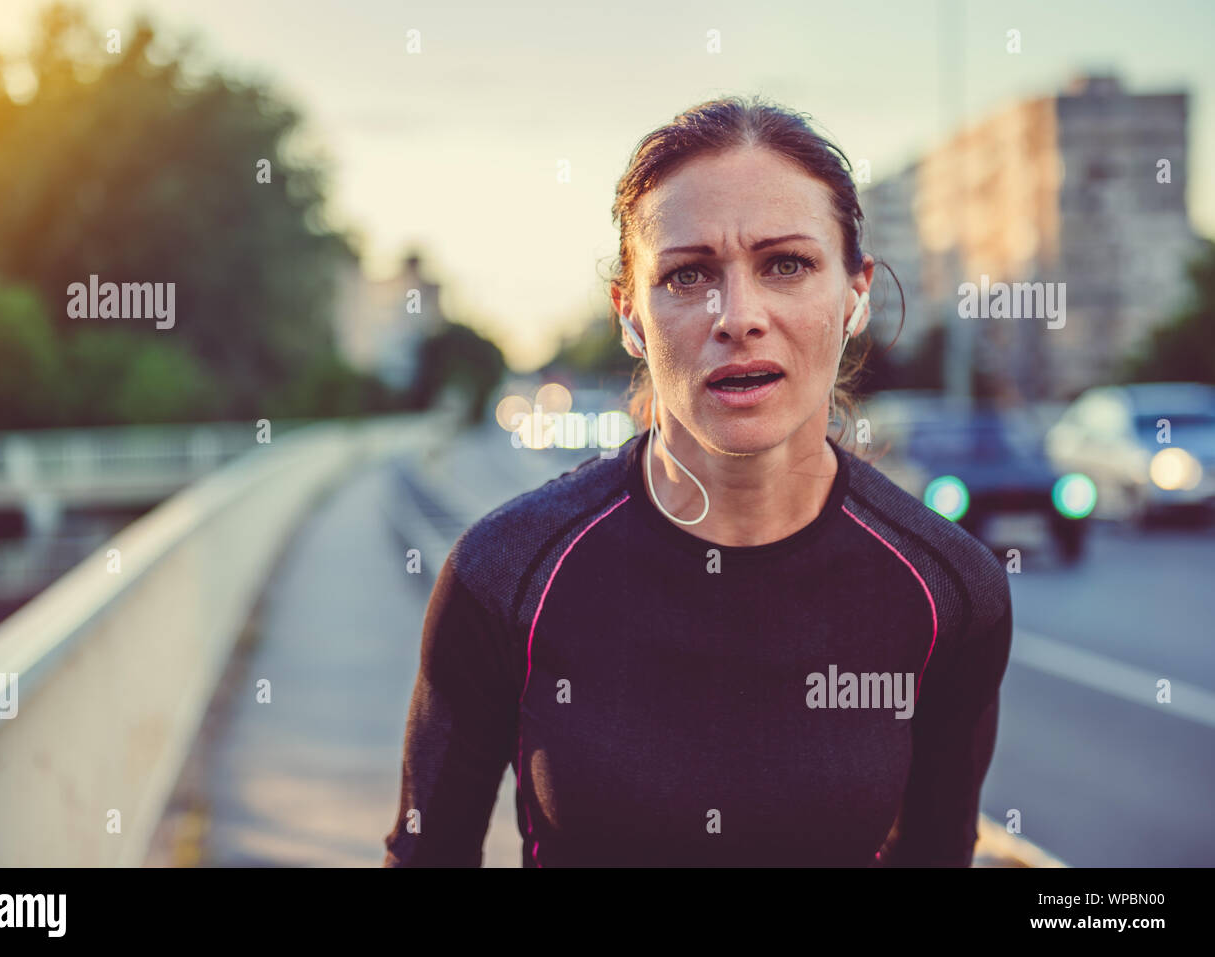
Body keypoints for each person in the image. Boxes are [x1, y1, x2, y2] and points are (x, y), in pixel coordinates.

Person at [383, 94, 1013, 867]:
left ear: (855, 294)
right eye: (687, 276)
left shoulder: (951, 589)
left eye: (787, 264)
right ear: (630, 314)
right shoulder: (504, 573)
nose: (738, 315)